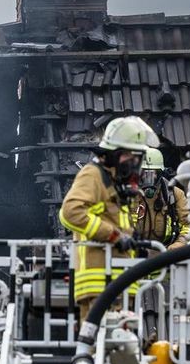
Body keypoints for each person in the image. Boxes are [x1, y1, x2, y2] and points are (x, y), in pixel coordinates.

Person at [58, 116, 157, 319]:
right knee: (99, 347)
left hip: (118, 283)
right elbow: (70, 212)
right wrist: (113, 236)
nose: (135, 164)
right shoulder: (92, 175)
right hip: (98, 283)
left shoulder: (114, 184)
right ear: (114, 153)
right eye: (131, 156)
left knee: (123, 347)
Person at [135, 147, 188, 250]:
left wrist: (179, 244)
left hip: (164, 253)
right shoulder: (127, 194)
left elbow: (188, 226)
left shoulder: (174, 194)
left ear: (161, 173)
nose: (148, 178)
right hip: (133, 251)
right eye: (144, 173)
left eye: (153, 173)